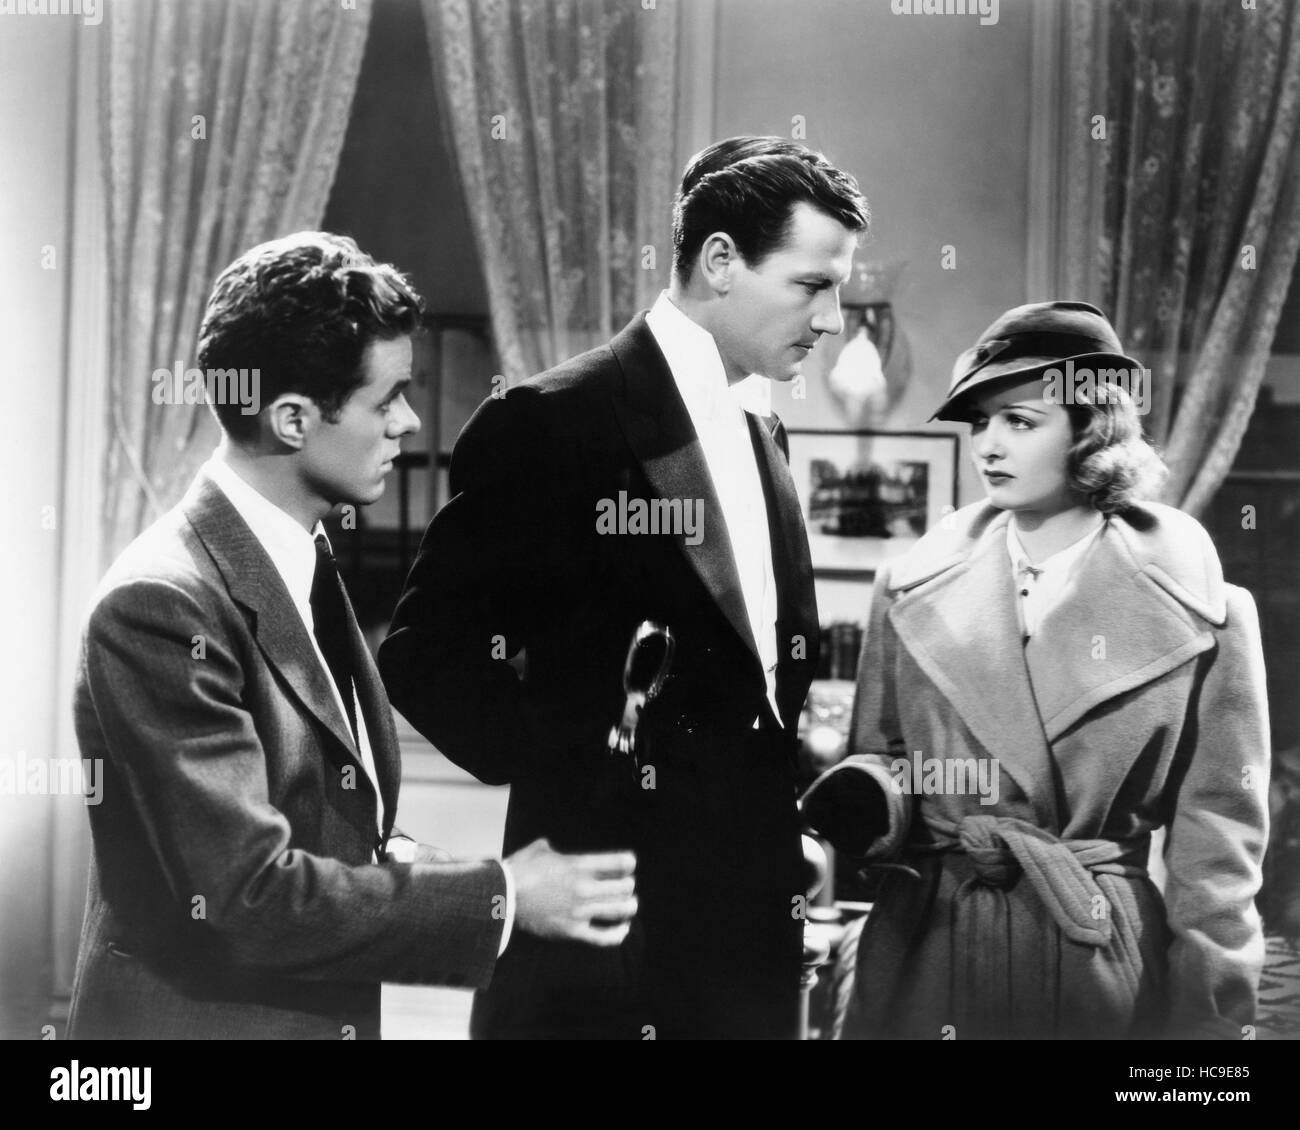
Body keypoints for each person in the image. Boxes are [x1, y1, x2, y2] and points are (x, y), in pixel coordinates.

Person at [68, 232, 637, 1040]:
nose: (408, 423)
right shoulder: (161, 605)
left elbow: (328, 822)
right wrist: (503, 897)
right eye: (386, 399)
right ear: (294, 419)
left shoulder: (302, 557)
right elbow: (248, 897)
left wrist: (430, 866)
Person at [380, 137, 870, 1039]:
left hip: (747, 950)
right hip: (605, 950)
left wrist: (771, 857)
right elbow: (425, 659)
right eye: (812, 285)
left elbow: (754, 701)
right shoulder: (555, 422)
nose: (833, 318)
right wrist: (589, 787)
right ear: (720, 262)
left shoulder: (765, 434)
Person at [803, 300, 1270, 1039]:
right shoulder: (908, 587)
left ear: (1092, 428)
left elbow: (1217, 857)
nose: (989, 444)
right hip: (930, 952)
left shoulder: (1201, 608)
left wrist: (1210, 1036)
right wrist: (876, 795)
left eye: (1020, 421)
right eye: (979, 422)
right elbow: (886, 756)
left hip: (1097, 959)